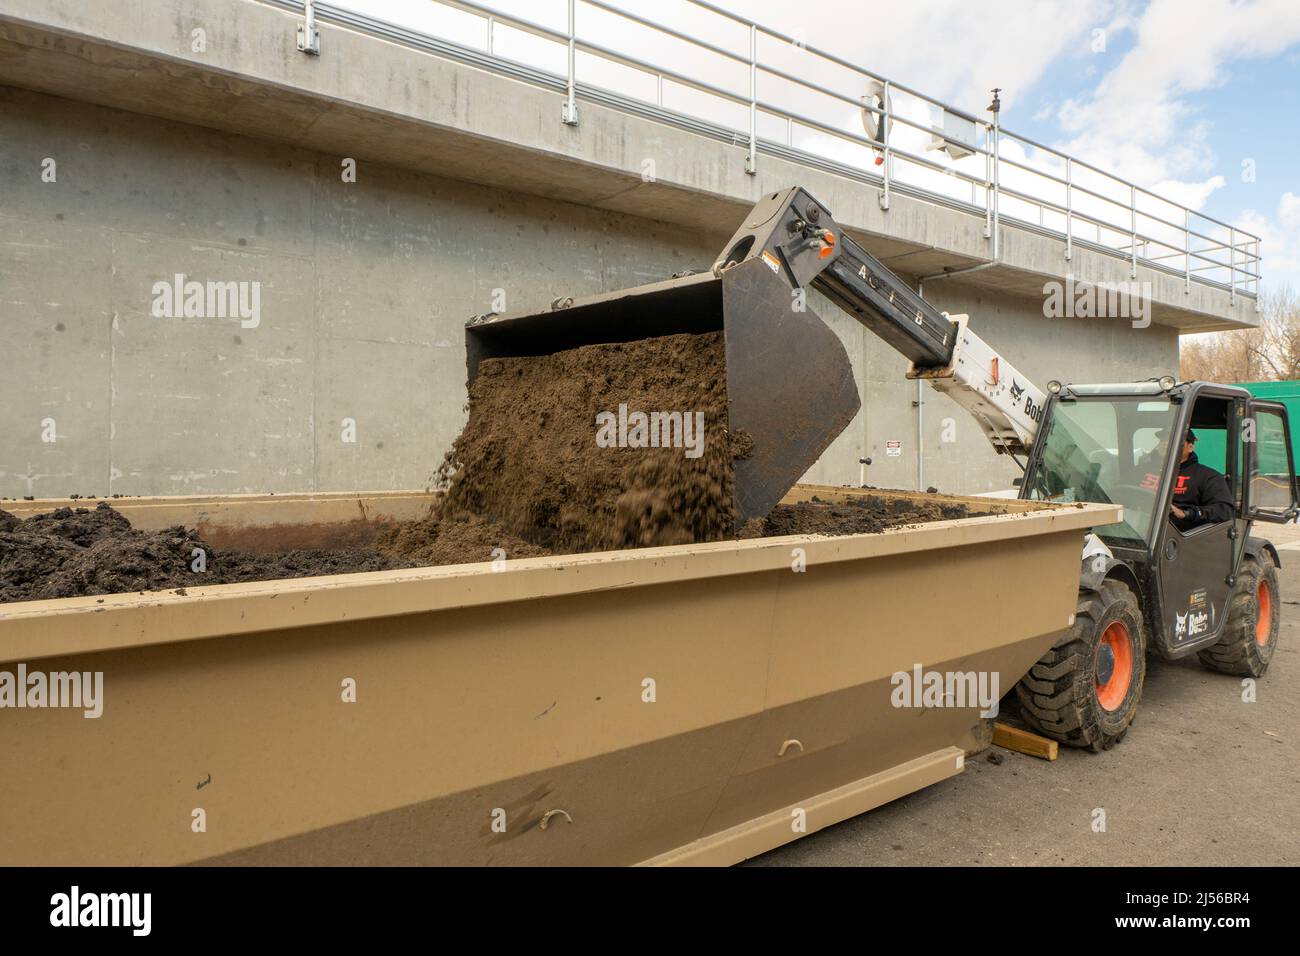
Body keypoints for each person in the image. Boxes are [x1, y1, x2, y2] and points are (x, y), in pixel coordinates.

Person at [1170, 429, 1234, 531]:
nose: (1166, 443)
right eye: (1163, 439)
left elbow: (1224, 510)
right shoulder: (1141, 471)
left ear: (1190, 447)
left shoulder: (1208, 476)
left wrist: (1187, 513)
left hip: (1182, 535)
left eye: (1174, 440)